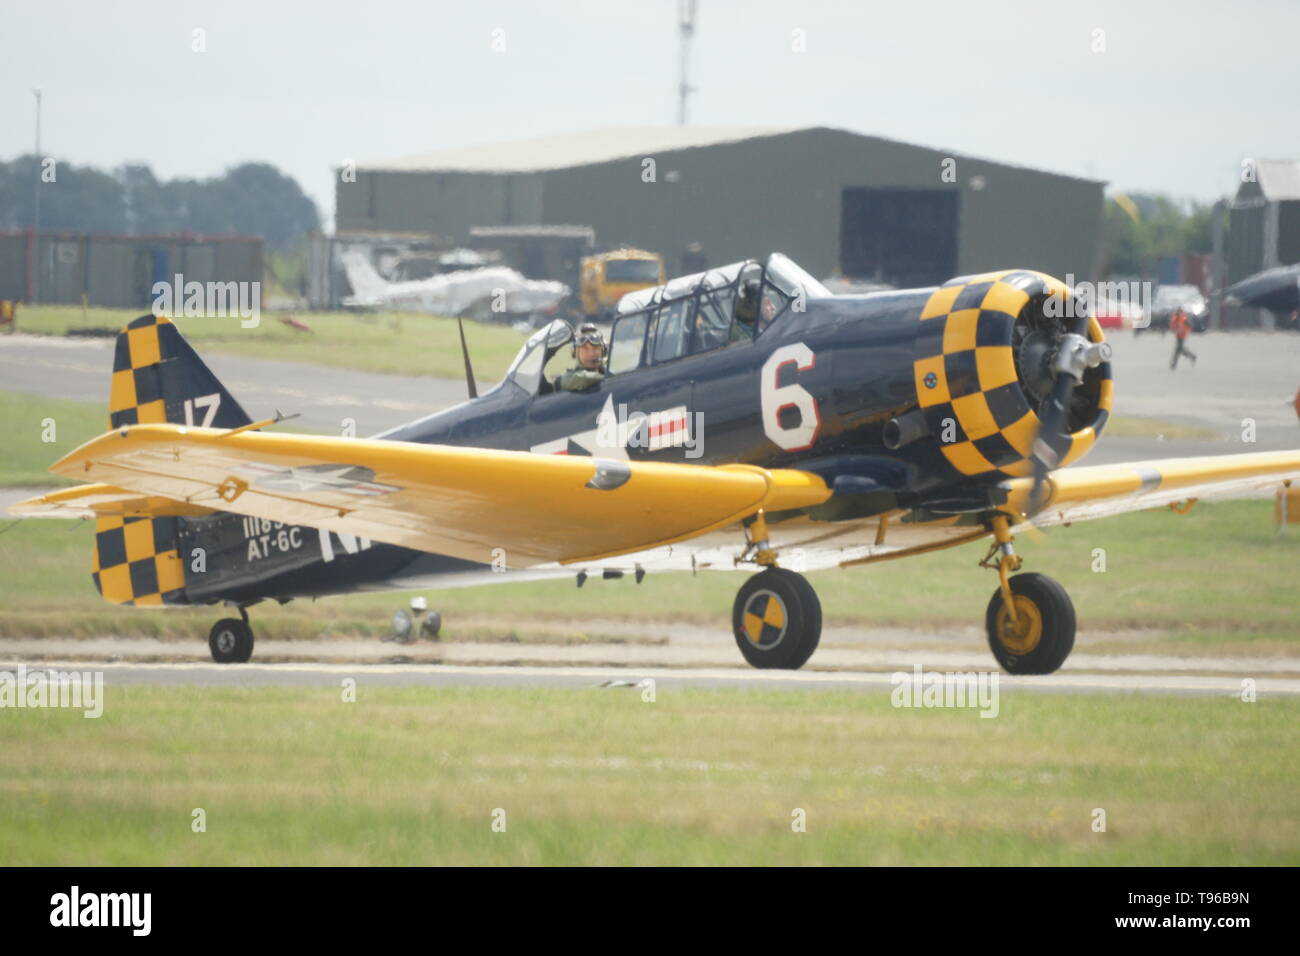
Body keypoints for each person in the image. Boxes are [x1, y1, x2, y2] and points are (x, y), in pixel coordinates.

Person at [555, 323, 606, 391]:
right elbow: (574, 379)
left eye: (595, 348)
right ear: (575, 353)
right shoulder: (569, 378)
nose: (591, 354)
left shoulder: (607, 370)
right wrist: (605, 378)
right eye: (585, 349)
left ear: (603, 351)